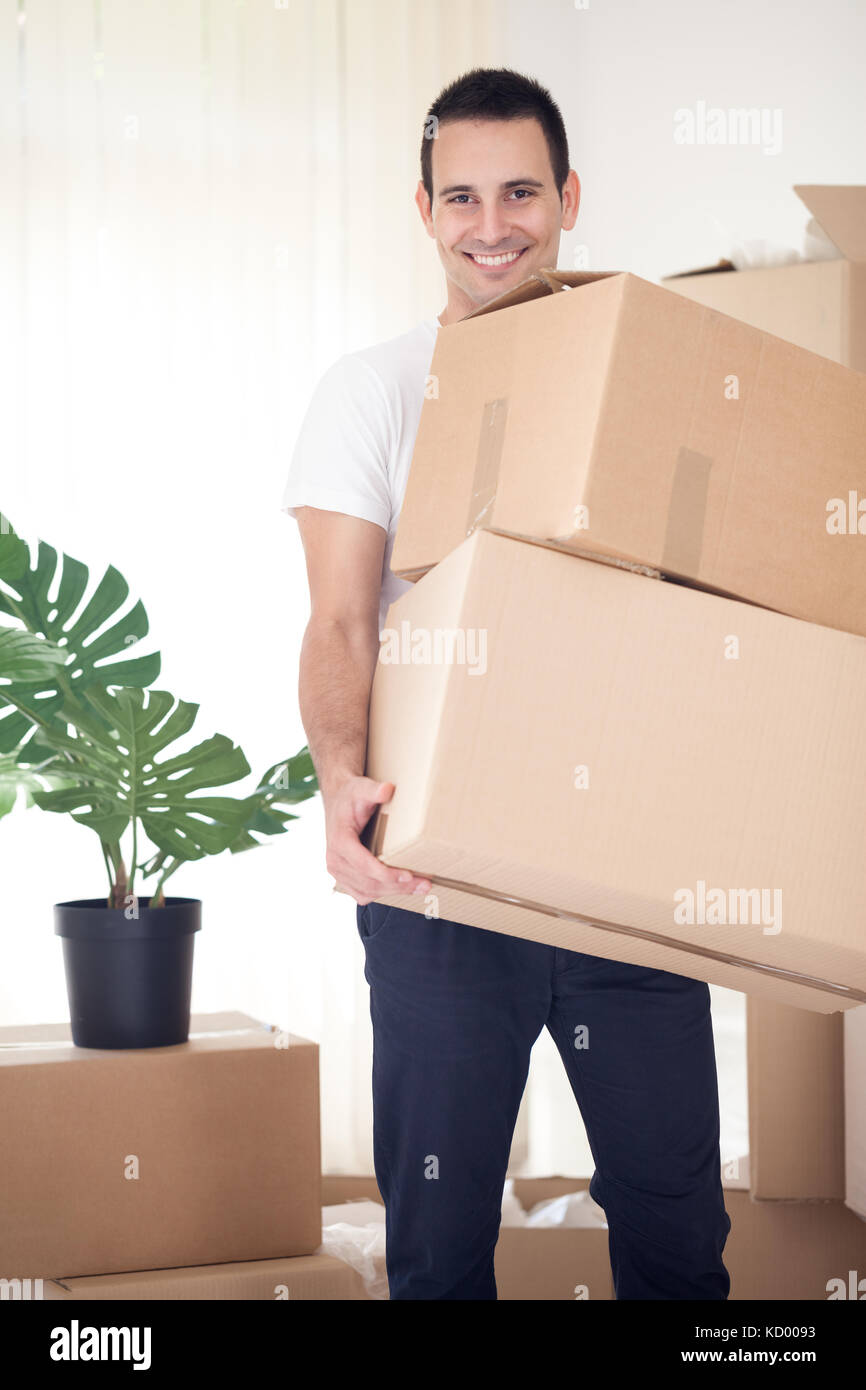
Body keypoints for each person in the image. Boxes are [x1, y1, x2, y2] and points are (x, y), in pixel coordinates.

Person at [282, 66, 732, 1301]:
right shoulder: (370, 393)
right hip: (441, 883)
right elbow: (335, 619)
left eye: (521, 191)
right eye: (463, 196)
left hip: (620, 868)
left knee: (677, 1232)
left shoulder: (642, 379)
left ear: (569, 196)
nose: (494, 225)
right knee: (436, 1241)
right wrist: (338, 783)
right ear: (422, 211)